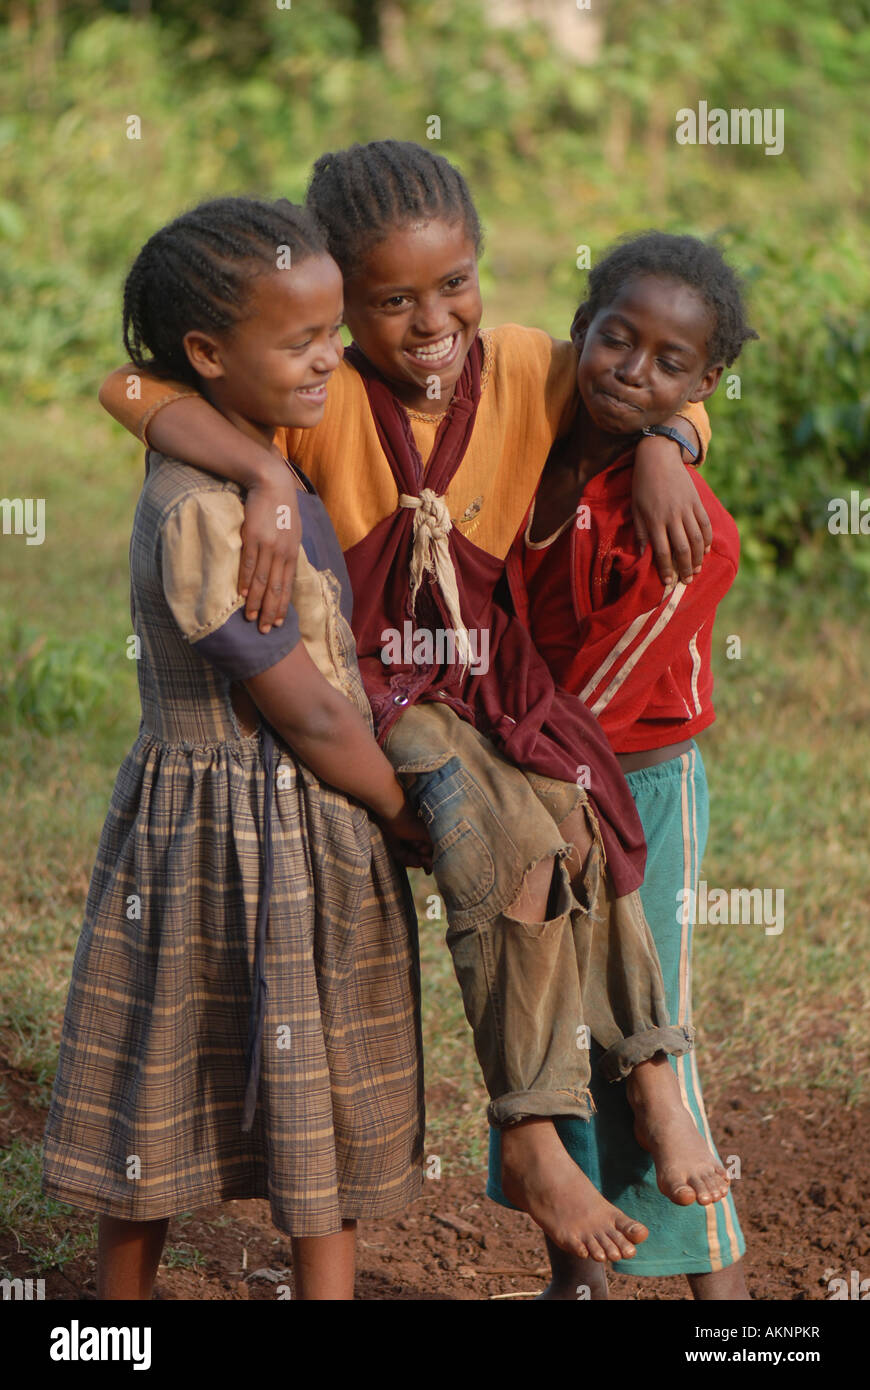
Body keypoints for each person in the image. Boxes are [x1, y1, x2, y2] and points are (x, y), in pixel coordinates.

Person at [98, 142, 730, 1264]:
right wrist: (271, 476)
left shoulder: (532, 364)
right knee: (503, 842)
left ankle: (646, 1067)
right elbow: (128, 385)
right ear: (341, 297)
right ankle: (531, 1124)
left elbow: (660, 375)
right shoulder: (315, 395)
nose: (433, 319)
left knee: (584, 815)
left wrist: (670, 446)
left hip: (501, 681)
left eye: (457, 283)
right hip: (391, 690)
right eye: (390, 300)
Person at [42, 196, 432, 1302]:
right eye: (303, 341)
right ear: (207, 355)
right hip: (249, 823)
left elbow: (137, 387)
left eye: (333, 331)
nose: (331, 358)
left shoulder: (260, 450)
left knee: (284, 1084)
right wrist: (409, 814)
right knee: (165, 1075)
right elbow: (306, 714)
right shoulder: (205, 512)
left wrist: (272, 474)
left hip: (263, 822)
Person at [490, 231, 757, 1297]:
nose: (635, 373)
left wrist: (506, 797)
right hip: (529, 769)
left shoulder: (686, 534)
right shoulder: (531, 443)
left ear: (707, 383)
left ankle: (723, 1308)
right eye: (618, 341)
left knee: (648, 1041)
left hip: (632, 782)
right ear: (579, 334)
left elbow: (596, 706)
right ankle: (577, 1280)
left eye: (670, 364)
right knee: (554, 1029)